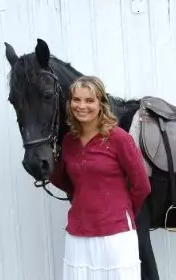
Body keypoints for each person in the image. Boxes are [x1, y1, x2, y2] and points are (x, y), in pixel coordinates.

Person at [50, 75, 151, 280]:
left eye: (89, 100)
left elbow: (142, 185)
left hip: (115, 235)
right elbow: (66, 183)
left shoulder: (119, 138)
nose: (82, 106)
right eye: (76, 100)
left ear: (101, 104)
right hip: (78, 233)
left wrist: (121, 211)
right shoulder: (69, 141)